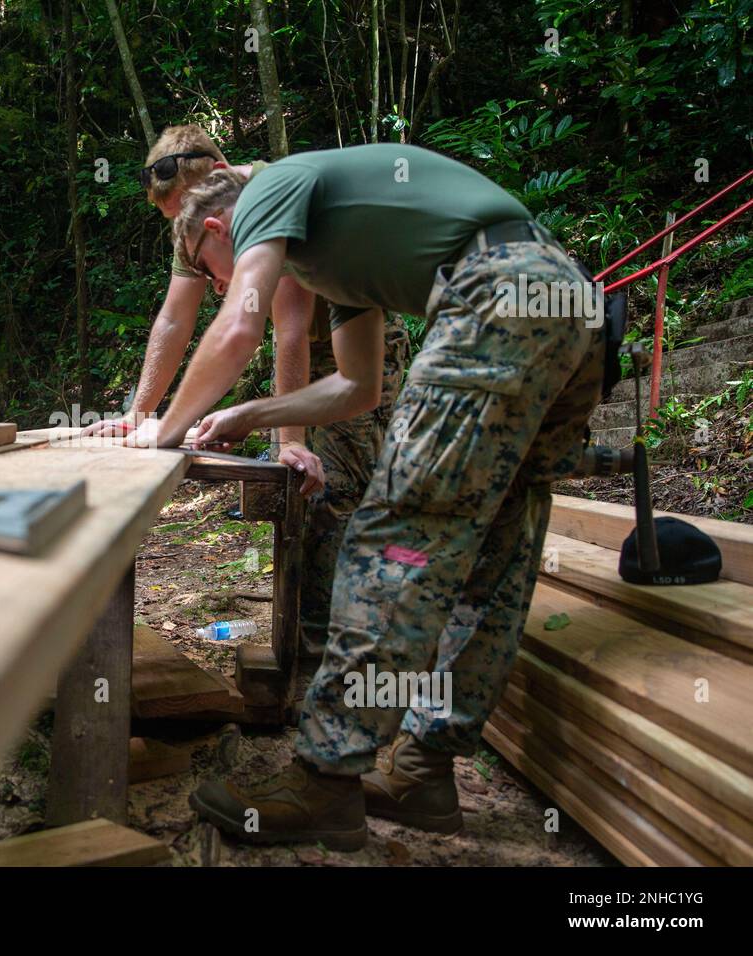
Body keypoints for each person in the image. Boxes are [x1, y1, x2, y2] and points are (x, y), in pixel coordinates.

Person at [132, 145, 604, 849]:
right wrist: (247, 415)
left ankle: (325, 776)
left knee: (394, 537)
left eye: (209, 274)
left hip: (493, 295)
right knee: (496, 544)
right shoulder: (345, 258)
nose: (217, 283)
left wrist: (163, 434)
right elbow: (359, 389)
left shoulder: (262, 190)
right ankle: (423, 770)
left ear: (214, 233)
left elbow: (239, 327)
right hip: (566, 299)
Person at [84, 125, 410, 655]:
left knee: (331, 489)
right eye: (174, 221)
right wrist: (139, 413)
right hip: (307, 343)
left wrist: (289, 440)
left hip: (352, 346)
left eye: (189, 215)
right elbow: (175, 318)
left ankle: (334, 647)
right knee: (306, 488)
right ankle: (309, 638)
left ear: (217, 178)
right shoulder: (201, 217)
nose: (186, 228)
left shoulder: (271, 198)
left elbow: (288, 332)